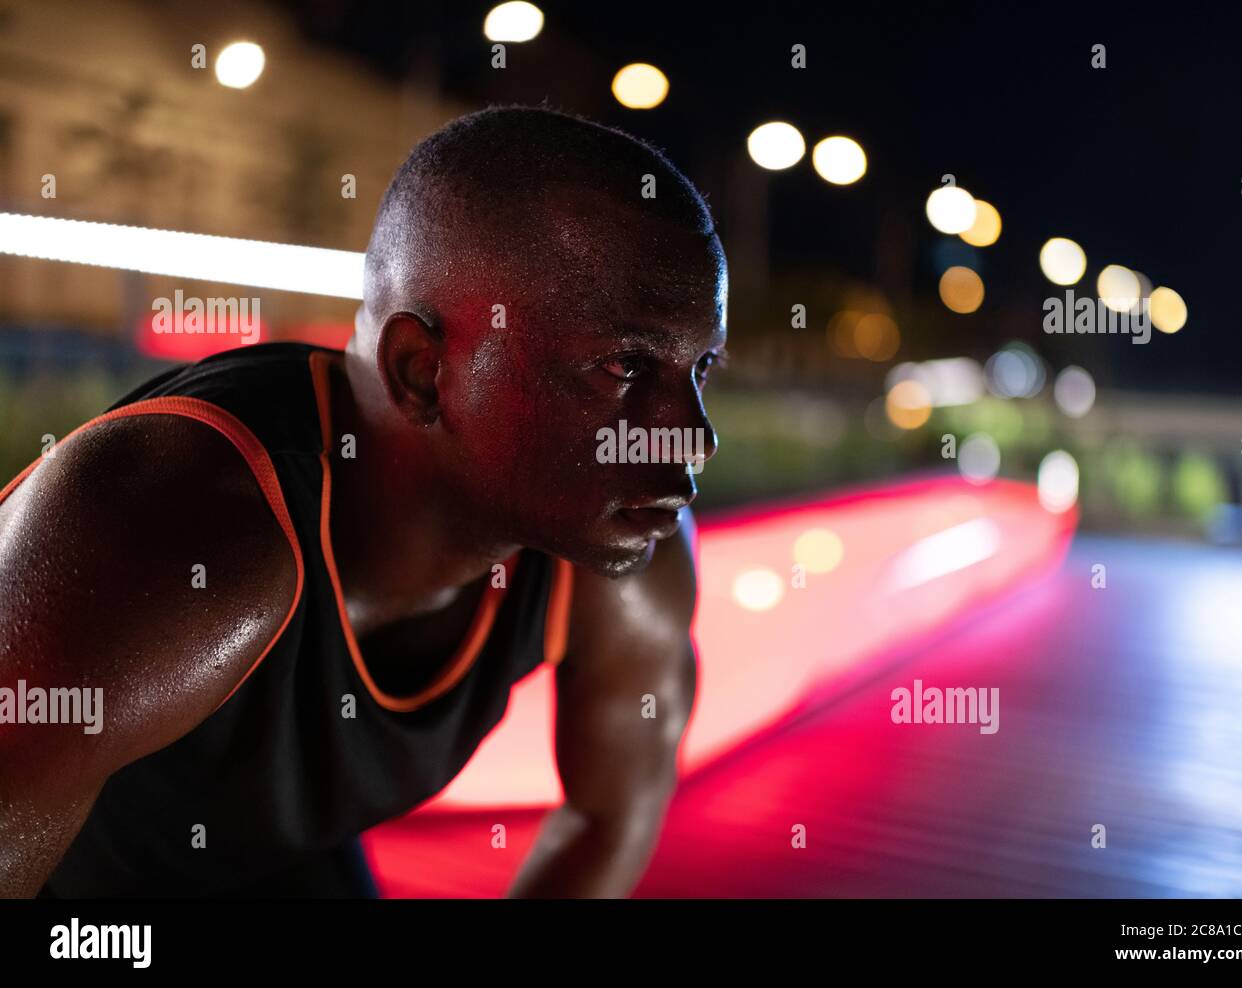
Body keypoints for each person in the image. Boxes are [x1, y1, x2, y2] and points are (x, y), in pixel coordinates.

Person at [0, 105, 727, 897]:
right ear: (422, 371)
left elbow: (607, 821)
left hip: (279, 862)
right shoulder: (183, 534)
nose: (692, 436)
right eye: (625, 368)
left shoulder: (617, 554)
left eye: (702, 371)